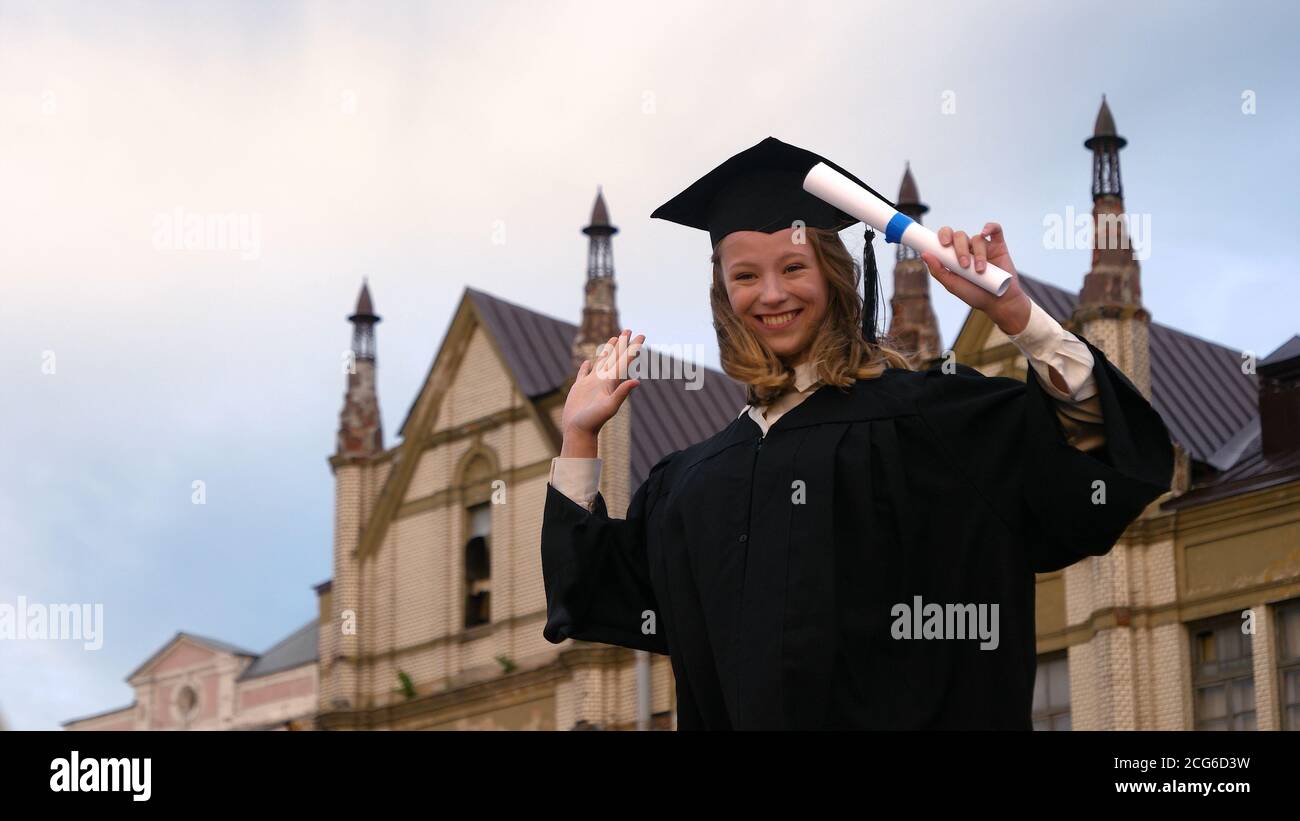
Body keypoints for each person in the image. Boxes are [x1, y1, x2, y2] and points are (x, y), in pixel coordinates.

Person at [540, 136, 1173, 730]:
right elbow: (599, 592)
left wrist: (1016, 315)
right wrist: (578, 437)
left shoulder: (932, 425)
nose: (771, 294)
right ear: (721, 291)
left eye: (793, 267)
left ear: (835, 276)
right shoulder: (691, 484)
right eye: (745, 276)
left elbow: (1097, 458)